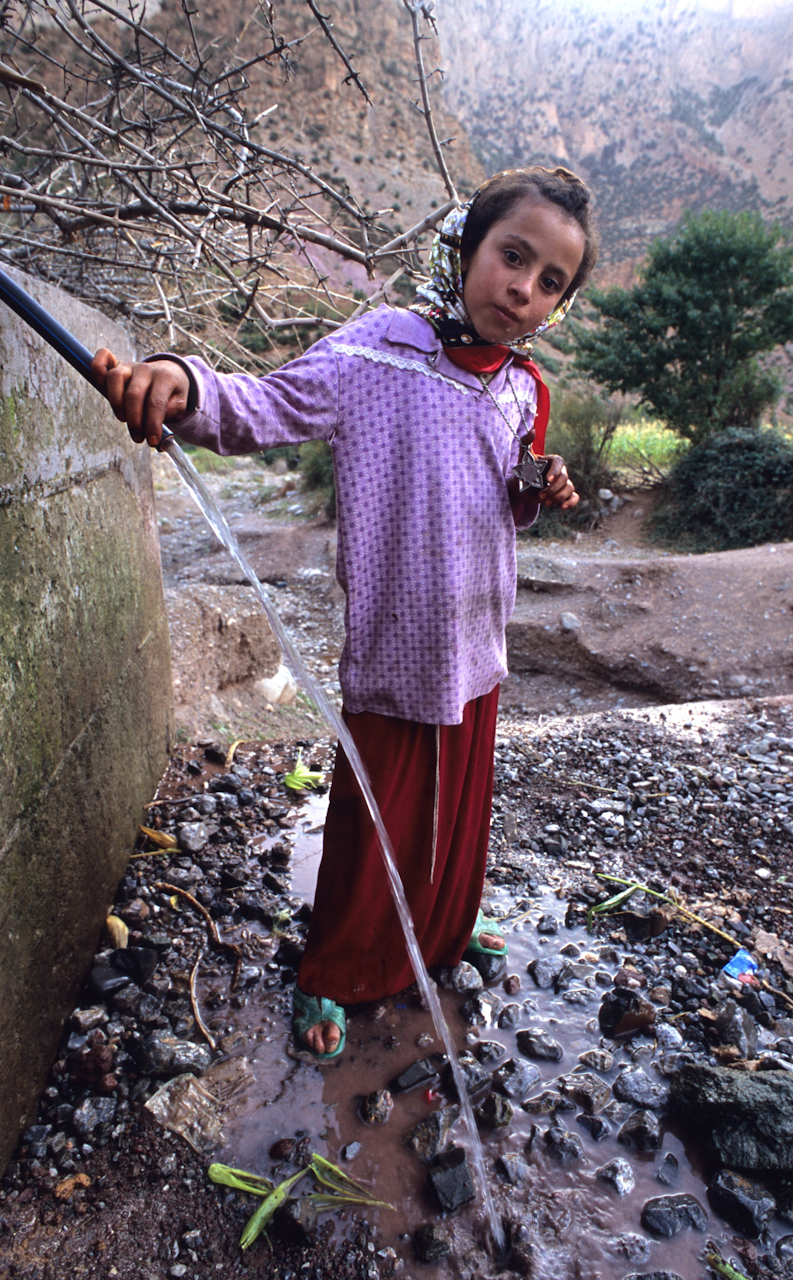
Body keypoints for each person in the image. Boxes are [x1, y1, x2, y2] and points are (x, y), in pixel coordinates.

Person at [93, 165, 599, 1061]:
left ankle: (440, 936)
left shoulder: (522, 386)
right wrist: (179, 378)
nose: (523, 289)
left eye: (549, 280)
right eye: (511, 257)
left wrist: (541, 481)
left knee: (458, 811)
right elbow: (266, 402)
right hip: (400, 647)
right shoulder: (379, 351)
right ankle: (334, 968)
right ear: (467, 249)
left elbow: (508, 483)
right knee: (378, 821)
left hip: (478, 642)